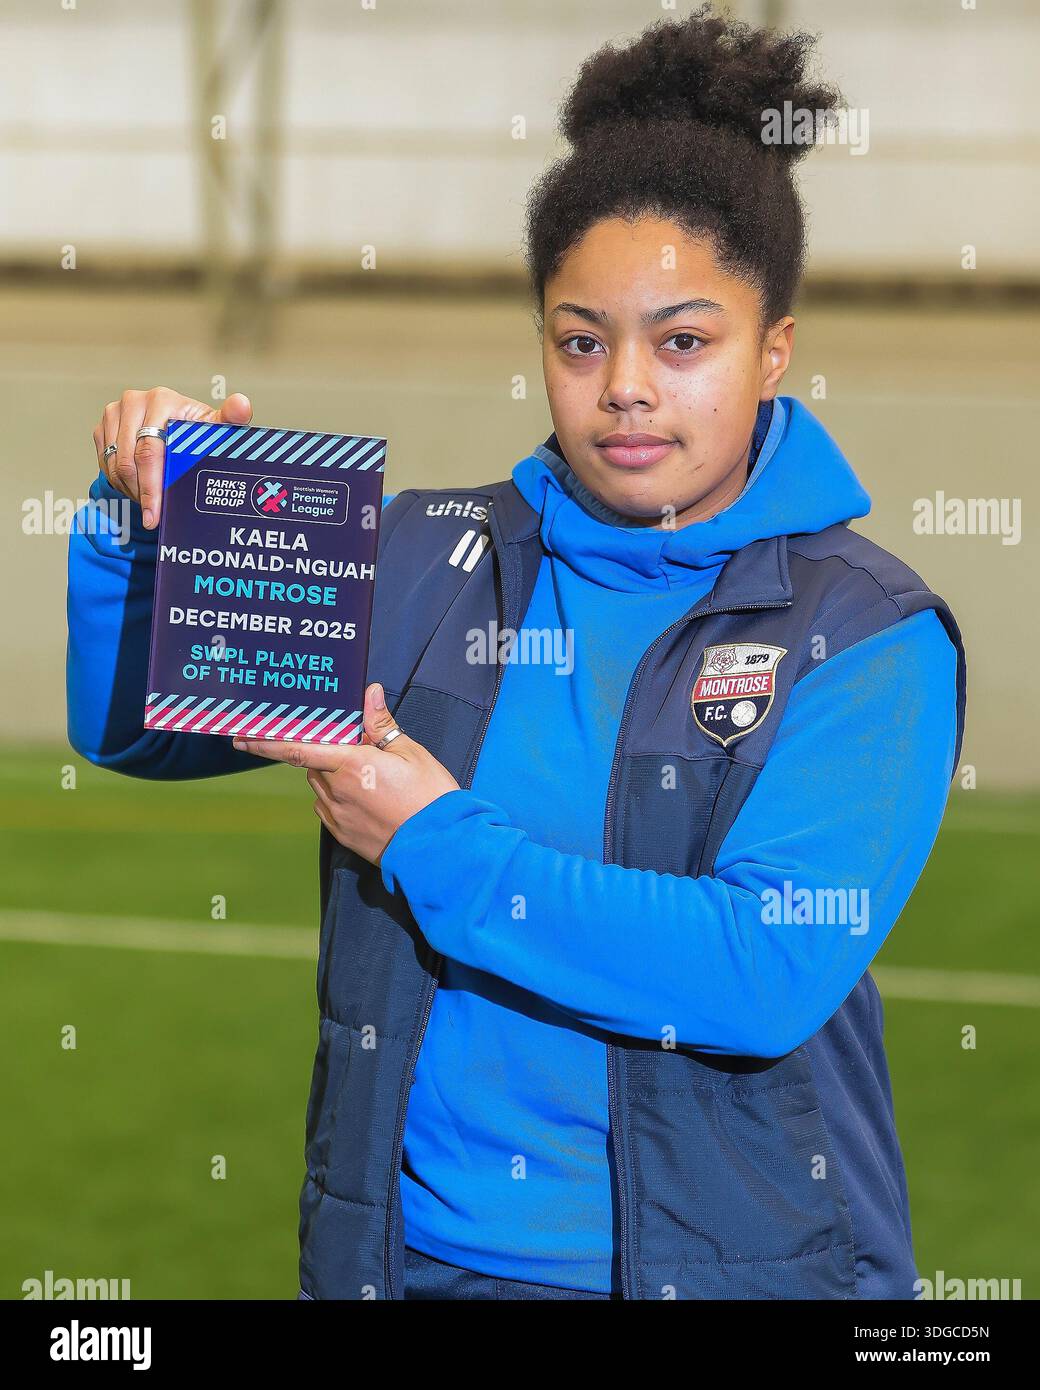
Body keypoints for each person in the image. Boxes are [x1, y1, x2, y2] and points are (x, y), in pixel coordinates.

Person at [66, 6, 966, 1300]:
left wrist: (435, 842)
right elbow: (135, 729)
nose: (629, 388)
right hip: (410, 1263)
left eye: (686, 340)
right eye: (582, 339)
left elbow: (761, 967)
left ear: (776, 352)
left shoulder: (866, 631)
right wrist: (140, 520)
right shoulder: (425, 559)